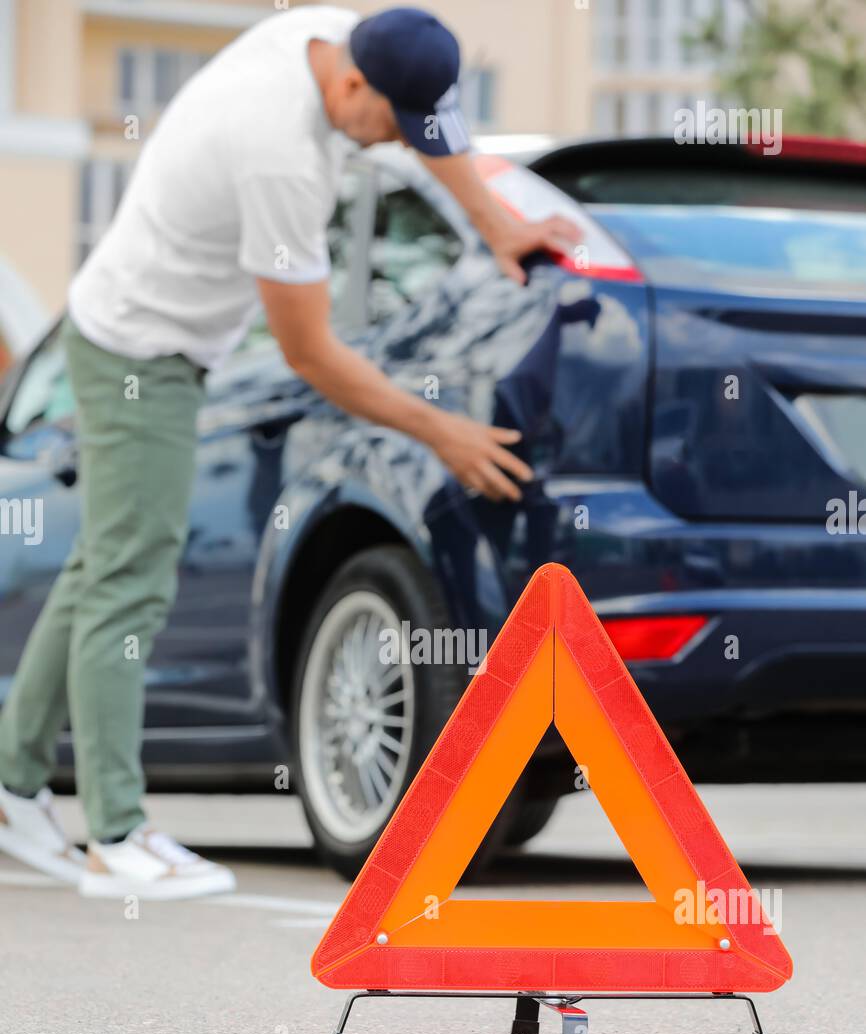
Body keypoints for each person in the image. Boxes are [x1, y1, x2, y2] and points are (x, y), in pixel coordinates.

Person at [0, 6, 577, 901]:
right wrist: (443, 431)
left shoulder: (340, 38)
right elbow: (313, 356)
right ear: (352, 87)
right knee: (131, 576)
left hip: (143, 334)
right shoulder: (281, 157)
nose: (394, 142)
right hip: (140, 353)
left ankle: (10, 784)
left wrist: (497, 223)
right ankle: (116, 835)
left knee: (95, 568)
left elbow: (437, 133)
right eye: (389, 123)